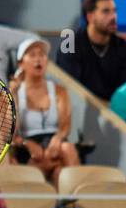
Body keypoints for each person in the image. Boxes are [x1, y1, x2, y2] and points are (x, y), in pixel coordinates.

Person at [11, 37, 78, 186]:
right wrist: (27, 143)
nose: (38, 59)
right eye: (32, 55)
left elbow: (65, 126)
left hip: (55, 145)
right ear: (21, 63)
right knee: (57, 166)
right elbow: (11, 133)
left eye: (42, 55)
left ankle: (78, 202)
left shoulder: (59, 91)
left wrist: (57, 139)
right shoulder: (13, 92)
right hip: (26, 147)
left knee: (67, 149)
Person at [56, 0, 126, 101]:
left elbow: (125, 90)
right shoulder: (69, 41)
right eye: (106, 11)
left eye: (114, 11)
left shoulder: (122, 45)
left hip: (112, 111)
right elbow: (69, 86)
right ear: (90, 17)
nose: (113, 17)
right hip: (79, 108)